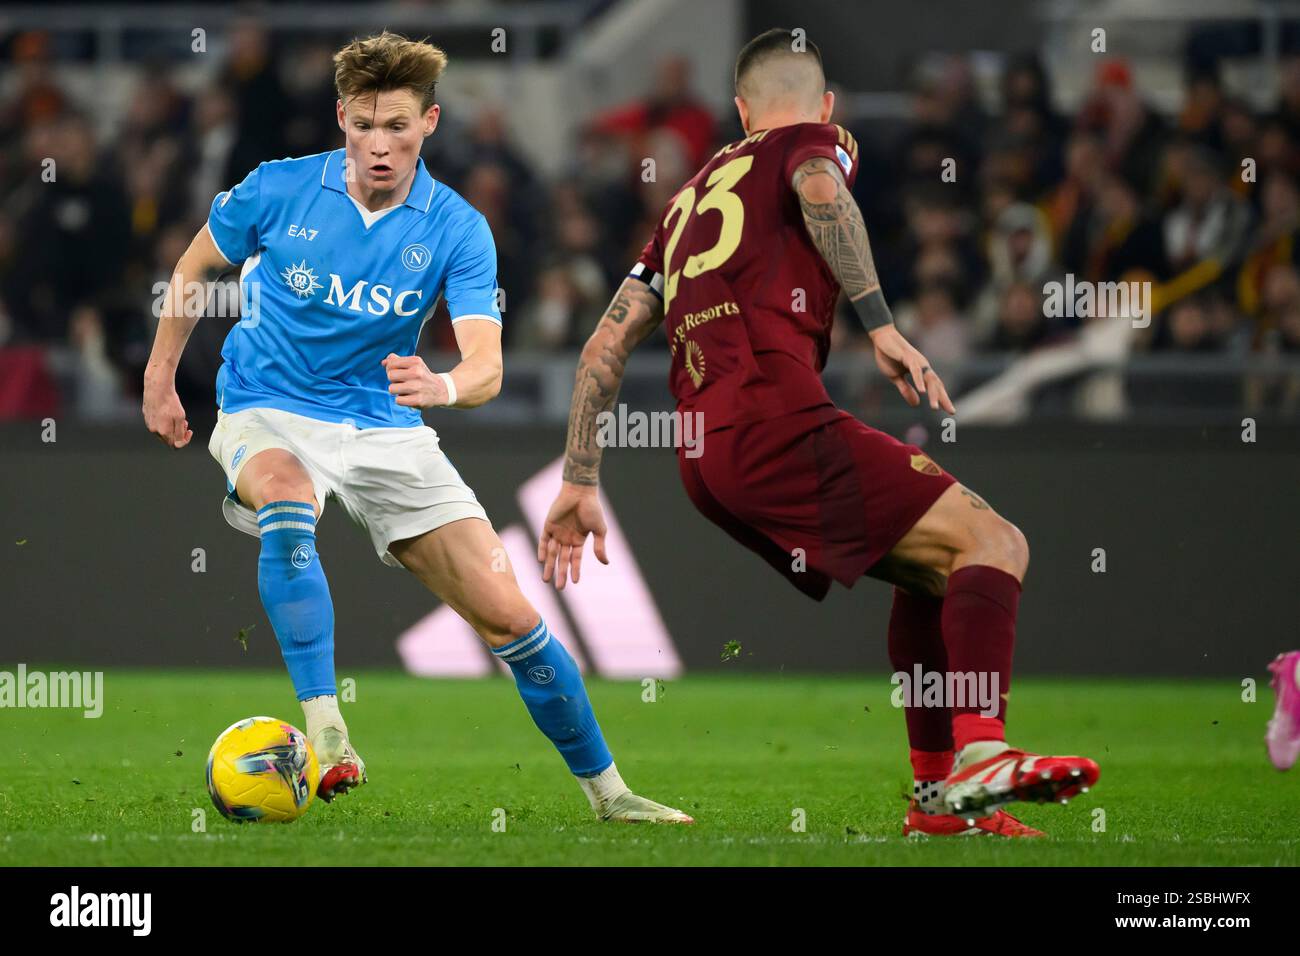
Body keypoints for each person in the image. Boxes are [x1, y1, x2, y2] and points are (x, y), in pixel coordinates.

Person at [540, 28, 1100, 837]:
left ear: (739, 109)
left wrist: (580, 478)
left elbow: (603, 345)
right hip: (775, 417)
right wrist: (881, 324)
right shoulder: (811, 144)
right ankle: (983, 750)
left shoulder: (685, 201)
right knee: (995, 543)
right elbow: (823, 193)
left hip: (705, 455)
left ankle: (938, 804)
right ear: (827, 107)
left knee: (930, 572)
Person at [142, 31, 688, 823]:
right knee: (287, 503)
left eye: (397, 125)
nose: (379, 145)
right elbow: (194, 267)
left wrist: (443, 385)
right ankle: (328, 731)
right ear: (341, 120)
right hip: (266, 406)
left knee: (511, 617)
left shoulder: (458, 229)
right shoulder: (278, 189)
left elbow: (487, 368)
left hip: (384, 427)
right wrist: (161, 377)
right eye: (363, 125)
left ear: (429, 122)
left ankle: (611, 796)